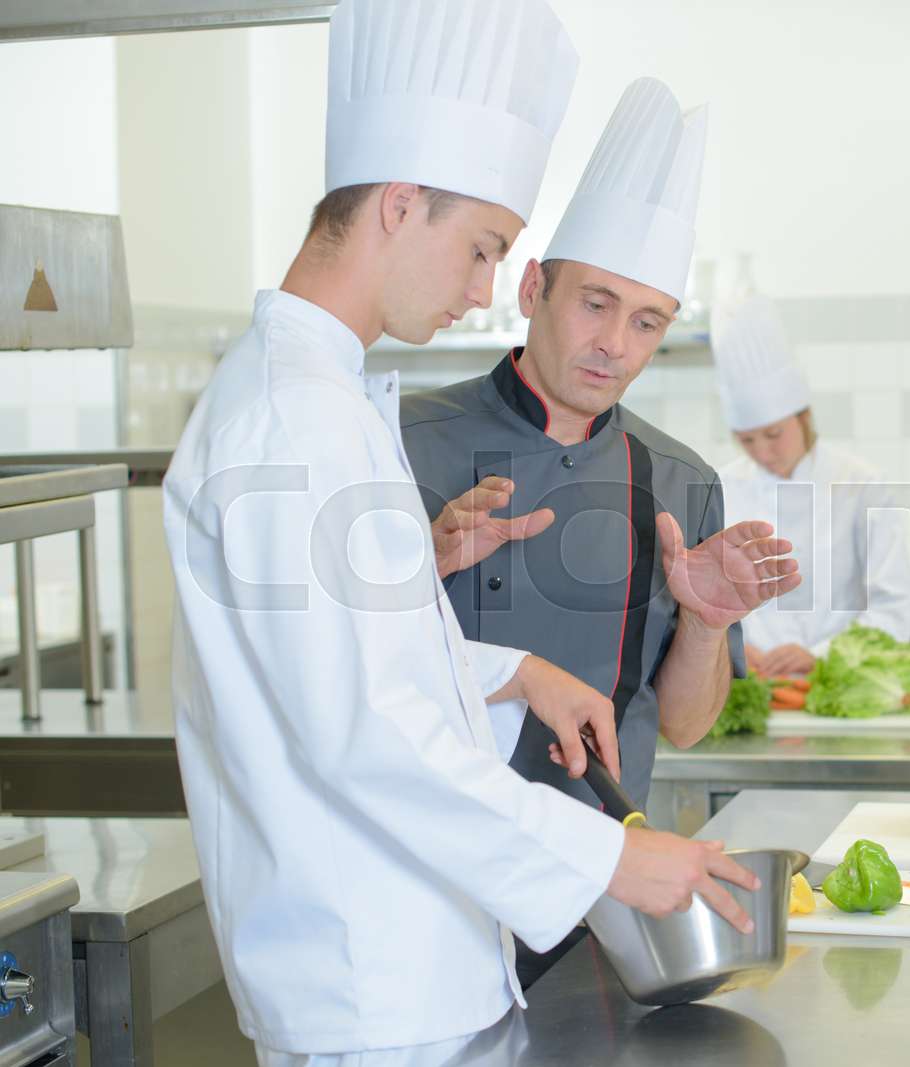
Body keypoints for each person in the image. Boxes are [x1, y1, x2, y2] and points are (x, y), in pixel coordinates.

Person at [162, 3, 757, 1062]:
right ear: (400, 205)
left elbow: (352, 656)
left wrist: (512, 667)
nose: (483, 288)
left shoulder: (312, 395)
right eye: (483, 248)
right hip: (372, 981)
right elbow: (365, 728)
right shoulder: (299, 416)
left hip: (407, 965)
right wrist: (608, 861)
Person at [400, 79, 798, 984]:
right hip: (430, 889)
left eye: (646, 320)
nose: (614, 342)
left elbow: (689, 725)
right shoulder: (400, 438)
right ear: (534, 286)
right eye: (594, 302)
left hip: (599, 899)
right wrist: (419, 560)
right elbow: (346, 675)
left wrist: (703, 619)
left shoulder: (682, 481)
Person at [711, 293, 910, 677]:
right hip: (748, 685)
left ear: (804, 417)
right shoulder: (721, 488)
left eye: (773, 434)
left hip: (842, 681)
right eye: (747, 440)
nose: (762, 451)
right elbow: (705, 604)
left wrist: (823, 655)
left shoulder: (860, 485)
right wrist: (734, 648)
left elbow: (897, 605)